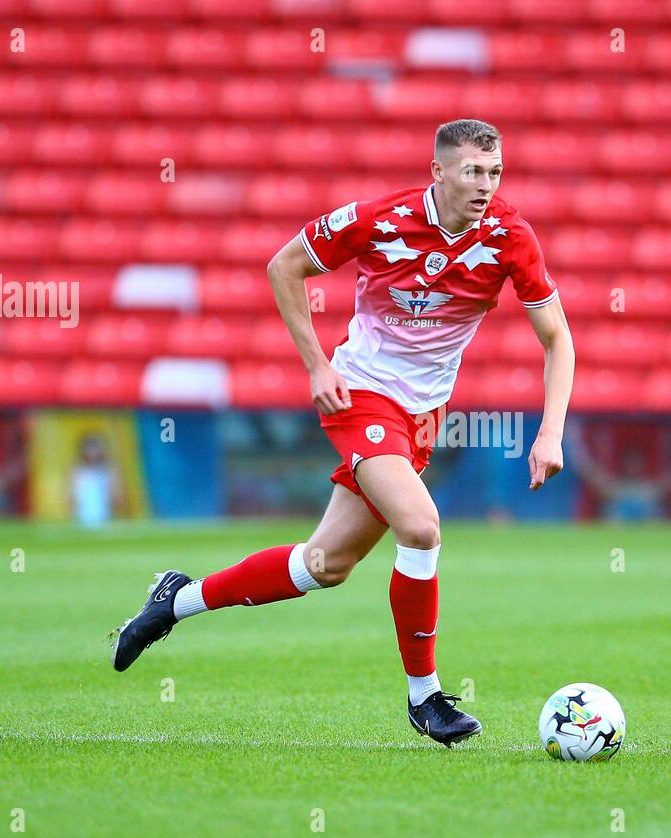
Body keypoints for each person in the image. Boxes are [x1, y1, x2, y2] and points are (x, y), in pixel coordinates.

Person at [109, 119, 575, 747]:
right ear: (438, 172)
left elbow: (557, 339)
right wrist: (317, 365)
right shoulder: (380, 219)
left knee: (323, 565)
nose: (485, 184)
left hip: (421, 417)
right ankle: (425, 697)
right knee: (422, 526)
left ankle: (176, 601)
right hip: (362, 396)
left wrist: (551, 431)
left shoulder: (511, 237)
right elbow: (285, 266)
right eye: (472, 171)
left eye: (494, 172)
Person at [68, 433, 121, 527]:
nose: (93, 452)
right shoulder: (77, 471)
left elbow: (117, 497)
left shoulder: (108, 470)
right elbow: (71, 498)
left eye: (95, 447)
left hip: (105, 517)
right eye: (90, 447)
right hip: (81, 518)